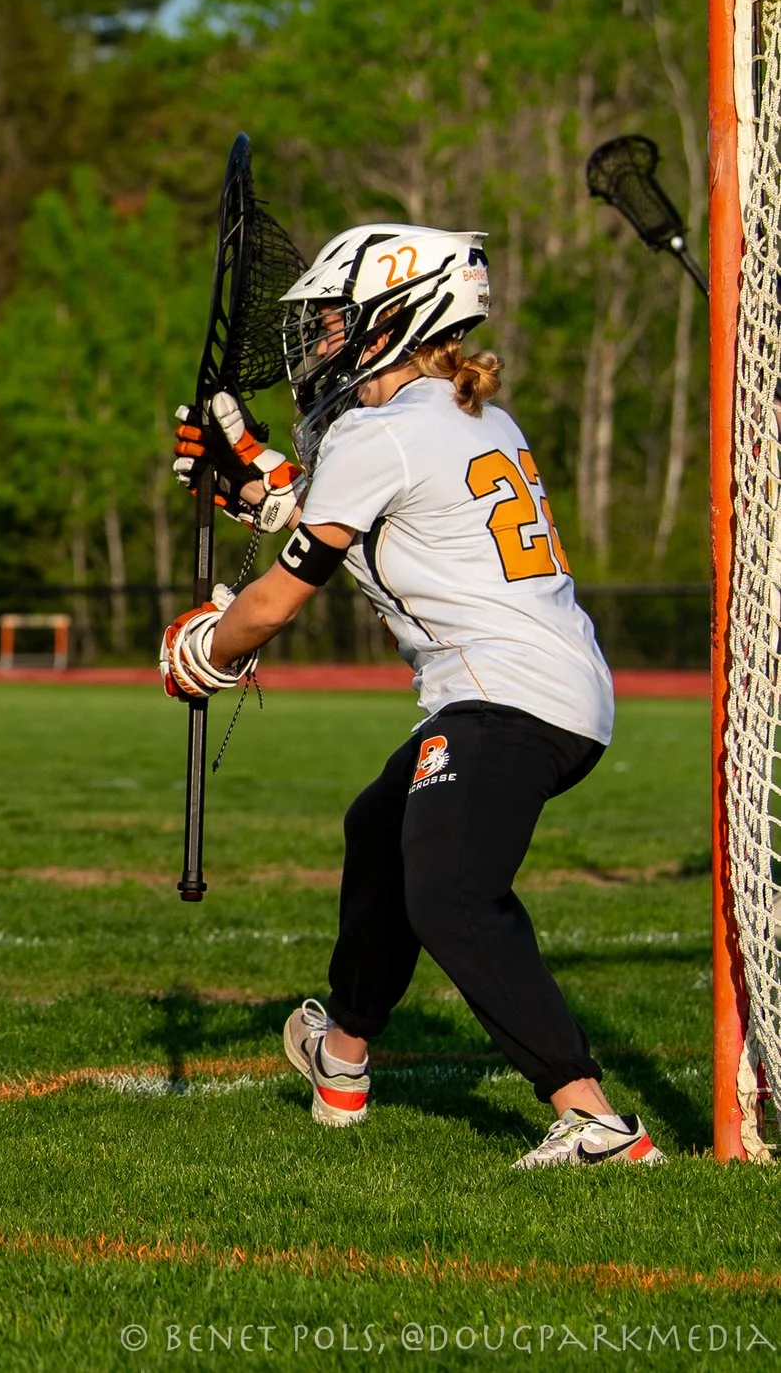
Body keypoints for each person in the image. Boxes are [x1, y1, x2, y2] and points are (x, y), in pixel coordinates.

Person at [164, 223, 660, 1170]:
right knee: (379, 828)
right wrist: (259, 484)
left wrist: (205, 651)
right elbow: (372, 514)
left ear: (397, 319)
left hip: (503, 696)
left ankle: (595, 1121)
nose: (318, 341)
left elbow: (279, 599)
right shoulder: (470, 416)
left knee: (452, 895)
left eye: (334, 321)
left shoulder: (378, 432)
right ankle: (343, 1053)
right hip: (553, 692)